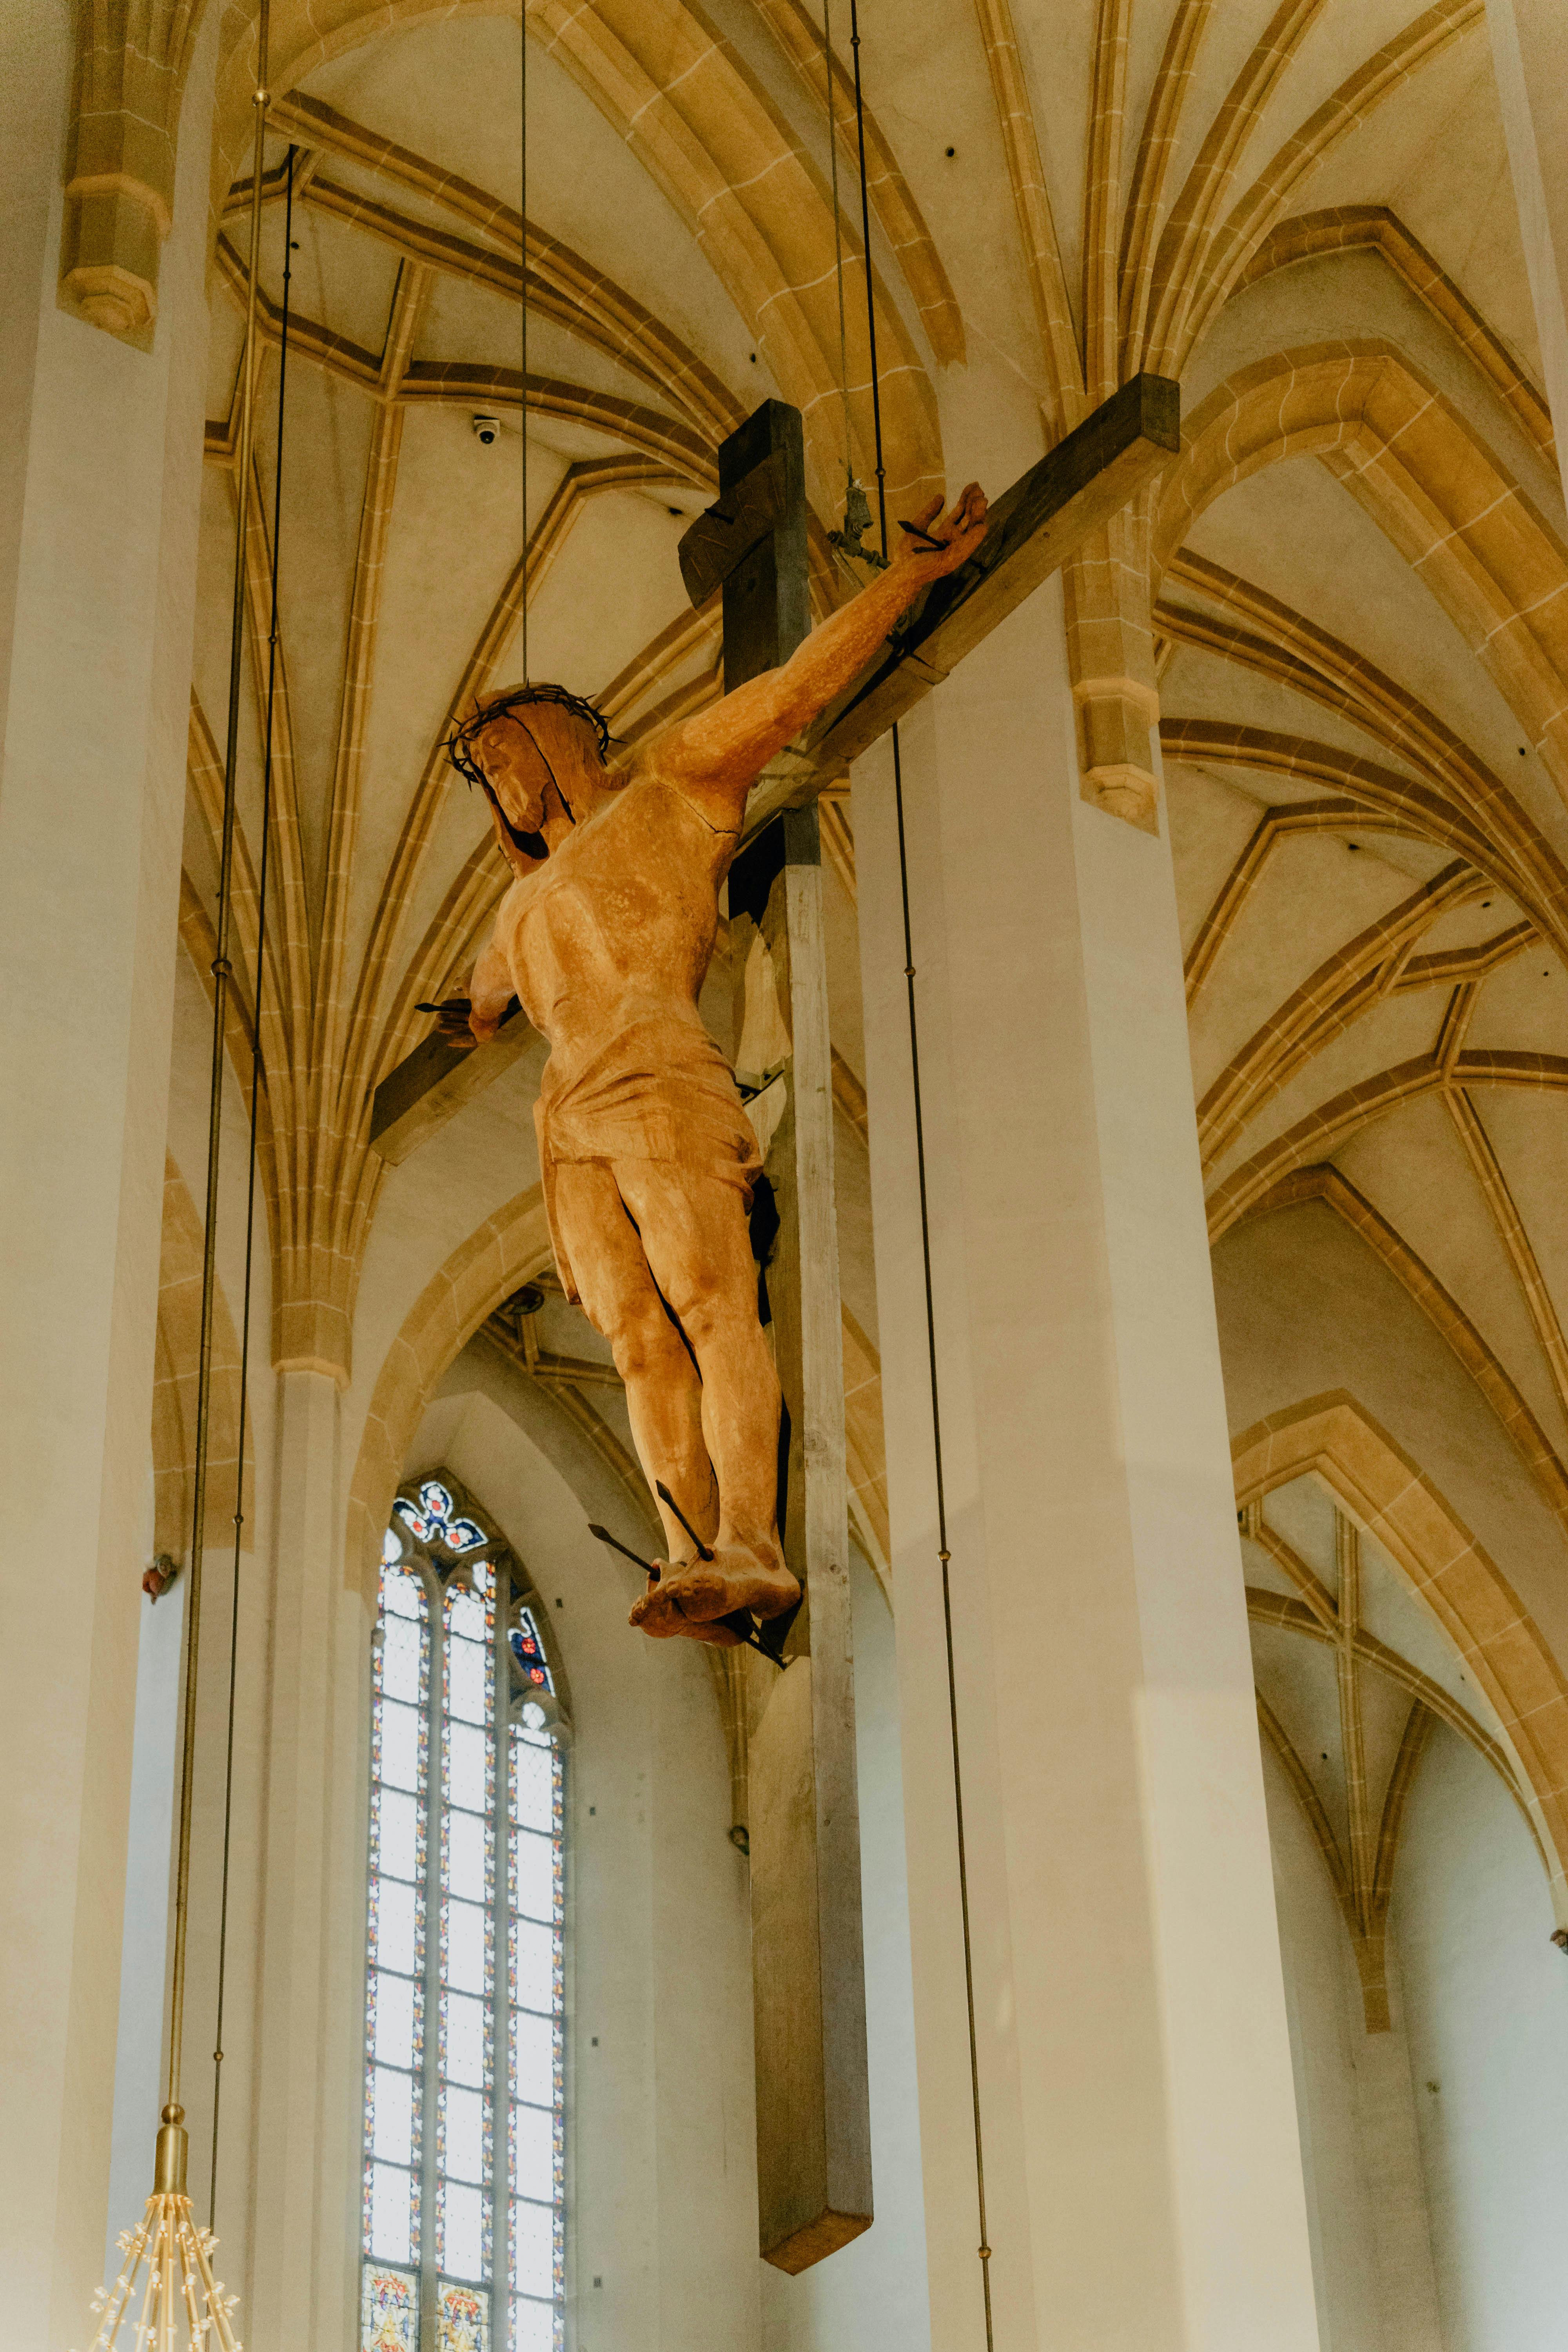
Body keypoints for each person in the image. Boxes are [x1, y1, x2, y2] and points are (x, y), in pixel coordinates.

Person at [445, 484, 988, 1643]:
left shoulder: (671, 789)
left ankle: (756, 1541)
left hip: (661, 1077)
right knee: (638, 1340)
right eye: (487, 775)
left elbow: (793, 693)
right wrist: (469, 1010)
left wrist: (907, 581)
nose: (501, 786)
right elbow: (487, 996)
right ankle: (691, 1554)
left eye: (505, 756)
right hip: (570, 1117)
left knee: (708, 1302)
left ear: (557, 741)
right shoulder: (518, 900)